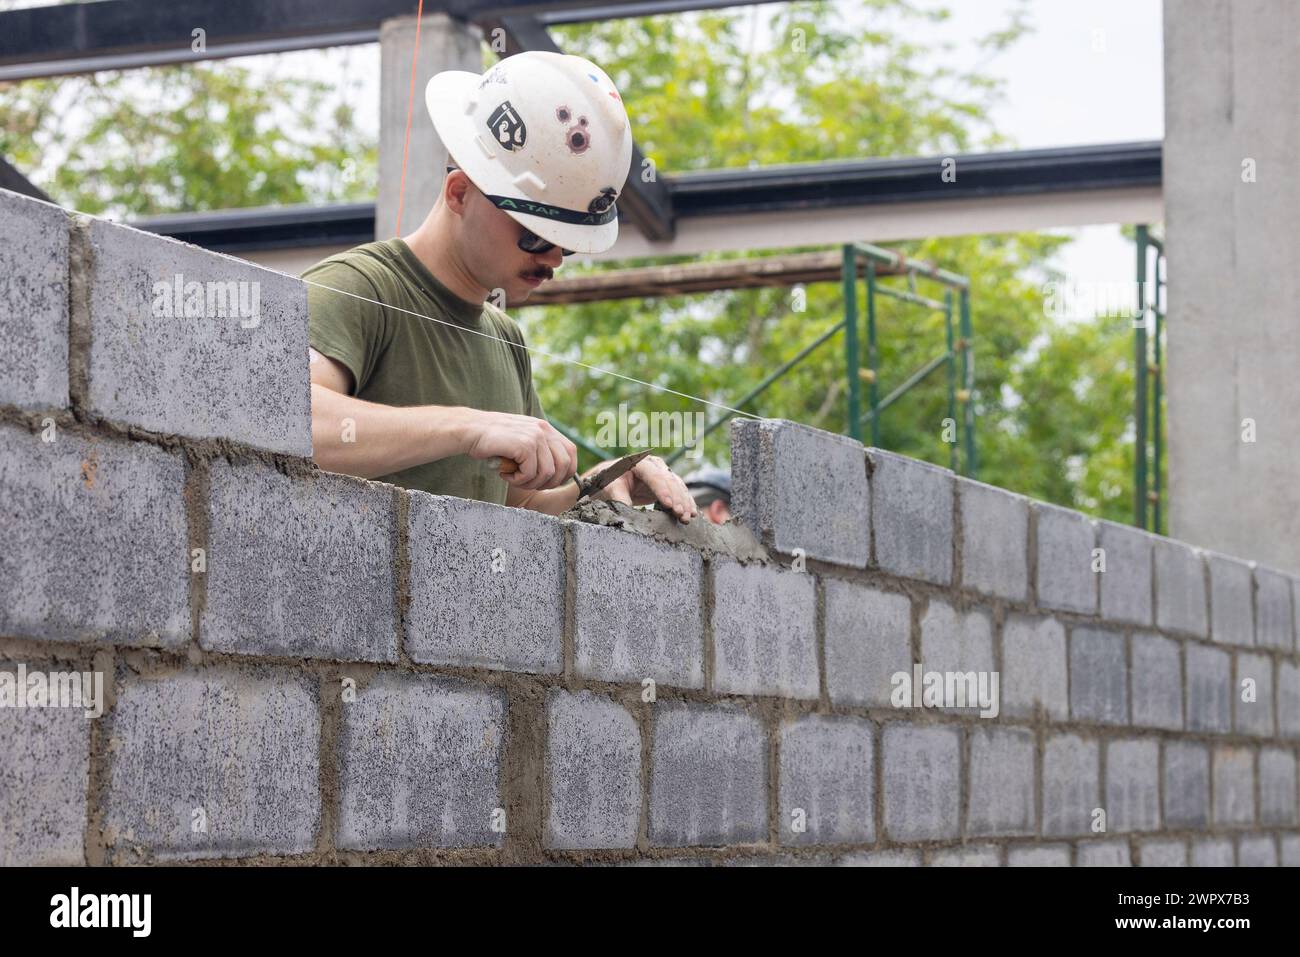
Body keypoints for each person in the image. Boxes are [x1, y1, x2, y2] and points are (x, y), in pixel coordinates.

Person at [303, 51, 696, 522]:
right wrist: (468, 427)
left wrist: (600, 484)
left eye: (565, 246)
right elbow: (289, 417)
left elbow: (522, 505)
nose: (551, 259)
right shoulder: (358, 290)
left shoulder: (505, 340)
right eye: (534, 236)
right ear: (460, 193)